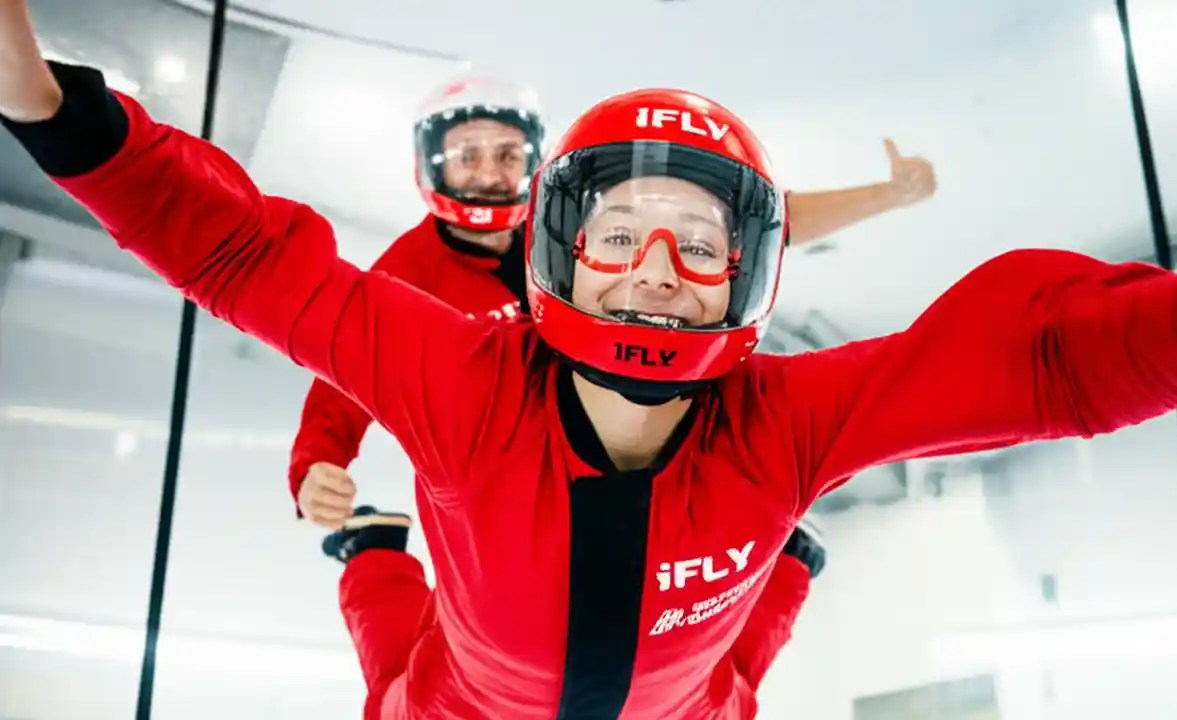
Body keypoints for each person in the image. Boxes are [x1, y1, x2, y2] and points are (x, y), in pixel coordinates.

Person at [4, 3, 1177, 717]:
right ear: (559, 250)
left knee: (716, 668)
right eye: (618, 232)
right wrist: (54, 112)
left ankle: (766, 575)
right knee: (392, 628)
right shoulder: (456, 368)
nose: (655, 265)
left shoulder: (790, 413)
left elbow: (1035, 365)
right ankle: (383, 554)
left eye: (695, 240)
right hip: (466, 707)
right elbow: (247, 259)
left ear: (748, 270)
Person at [289, 74, 933, 706]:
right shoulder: (407, 271)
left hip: (630, 459)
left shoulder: (581, 223)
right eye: (468, 156)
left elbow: (754, 223)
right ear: (433, 165)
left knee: (666, 658)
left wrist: (886, 194)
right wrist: (318, 459)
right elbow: (351, 361)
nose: (488, 172)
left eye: (507, 154)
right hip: (495, 488)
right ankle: (791, 560)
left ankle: (370, 547)